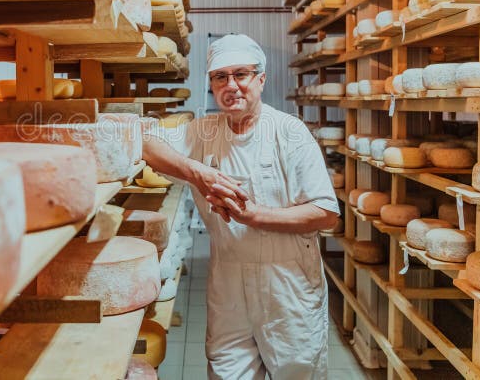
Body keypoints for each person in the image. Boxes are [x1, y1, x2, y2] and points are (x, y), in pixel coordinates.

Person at [143, 34, 340, 379]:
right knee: (227, 372)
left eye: (241, 74)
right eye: (220, 77)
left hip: (288, 285)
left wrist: (255, 216)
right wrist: (197, 171)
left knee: (297, 373)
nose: (231, 85)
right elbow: (146, 142)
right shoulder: (202, 132)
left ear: (261, 79)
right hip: (229, 281)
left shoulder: (288, 132)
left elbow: (327, 214)